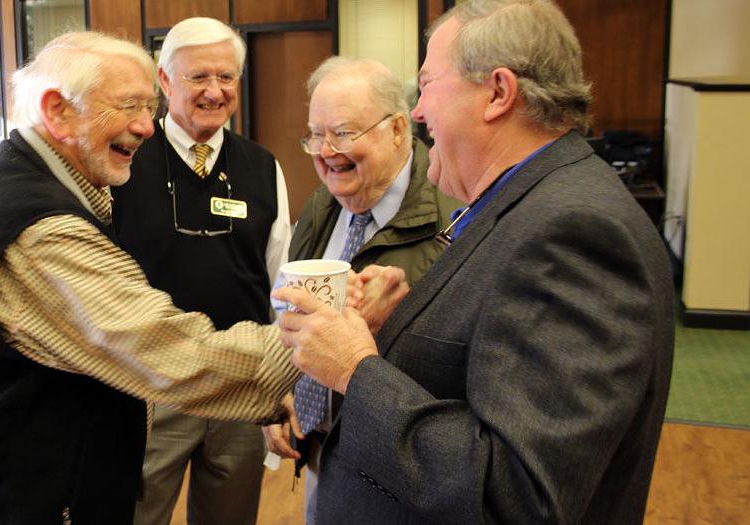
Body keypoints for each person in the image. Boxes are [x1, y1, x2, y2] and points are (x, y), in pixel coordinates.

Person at [272, 0, 675, 523]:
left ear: (498, 93)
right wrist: (399, 325)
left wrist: (355, 369)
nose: (417, 113)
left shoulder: (573, 232)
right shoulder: (527, 203)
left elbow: (516, 492)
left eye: (429, 84)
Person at [0, 31, 303, 524]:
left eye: (149, 106)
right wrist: (315, 343)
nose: (146, 126)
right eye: (129, 106)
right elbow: (169, 352)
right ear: (57, 111)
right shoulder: (42, 232)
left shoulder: (25, 181)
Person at [260, 56, 460, 524]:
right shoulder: (321, 203)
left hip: (406, 478)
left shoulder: (456, 215)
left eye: (344, 132)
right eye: (315, 134)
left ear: (396, 130)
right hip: (322, 455)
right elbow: (289, 310)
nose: (325, 150)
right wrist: (279, 393)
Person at [109, 17, 291, 525]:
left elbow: (277, 277)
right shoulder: (123, 163)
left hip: (238, 389)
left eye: (227, 77)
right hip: (150, 390)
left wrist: (276, 384)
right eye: (198, 77)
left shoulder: (262, 166)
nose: (215, 91)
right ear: (165, 83)